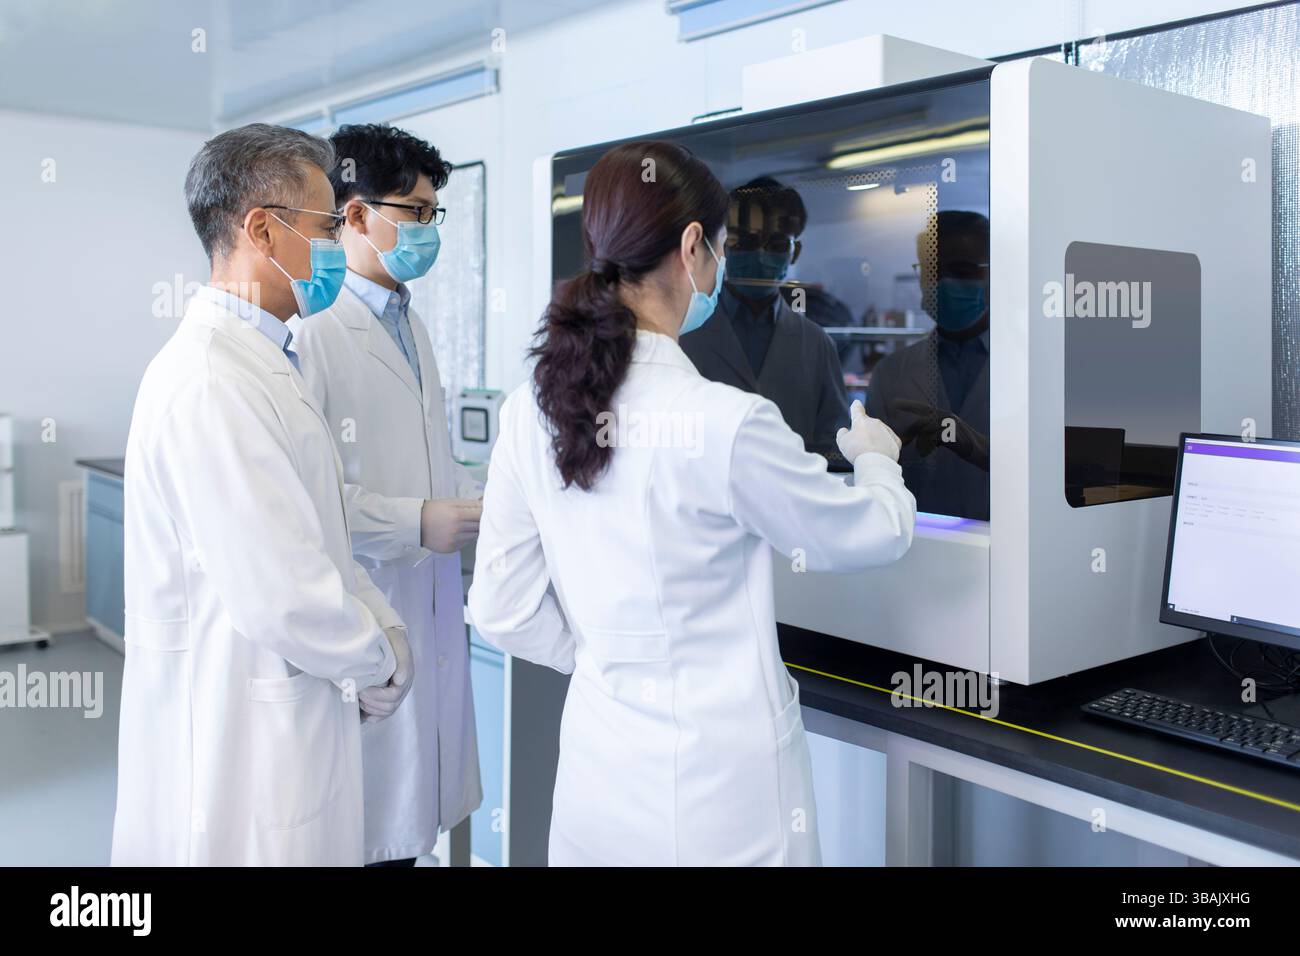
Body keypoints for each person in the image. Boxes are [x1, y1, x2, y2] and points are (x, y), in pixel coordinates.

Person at [468, 141, 916, 866]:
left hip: (599, 777)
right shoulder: (724, 422)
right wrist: (877, 463)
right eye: (723, 246)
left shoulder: (530, 409)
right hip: (721, 800)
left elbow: (502, 610)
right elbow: (868, 535)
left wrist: (606, 658)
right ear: (691, 248)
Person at [112, 124, 412, 867]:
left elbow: (318, 532)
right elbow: (281, 593)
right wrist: (379, 659)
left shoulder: (267, 361)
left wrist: (378, 630)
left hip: (284, 717)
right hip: (239, 749)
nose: (337, 249)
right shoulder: (213, 380)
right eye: (323, 228)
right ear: (260, 230)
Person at [291, 124, 483, 867]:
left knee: (409, 835)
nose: (428, 228)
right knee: (365, 836)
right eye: (415, 211)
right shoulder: (313, 332)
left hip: (427, 612)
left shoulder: (413, 326)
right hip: (363, 629)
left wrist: (478, 503)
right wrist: (417, 522)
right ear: (357, 214)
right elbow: (303, 501)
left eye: (435, 212)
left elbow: (432, 461)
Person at [680, 176, 850, 456]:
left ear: (795, 252)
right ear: (723, 245)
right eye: (744, 242)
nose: (759, 255)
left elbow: (835, 446)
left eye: (776, 244)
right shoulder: (686, 331)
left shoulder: (816, 345)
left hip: (792, 498)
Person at [865, 210, 990, 520]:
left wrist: (981, 449)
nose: (944, 282)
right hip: (919, 547)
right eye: (933, 271)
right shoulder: (891, 373)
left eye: (962, 270)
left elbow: (1057, 467)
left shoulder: (1031, 367)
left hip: (1006, 547)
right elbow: (873, 480)